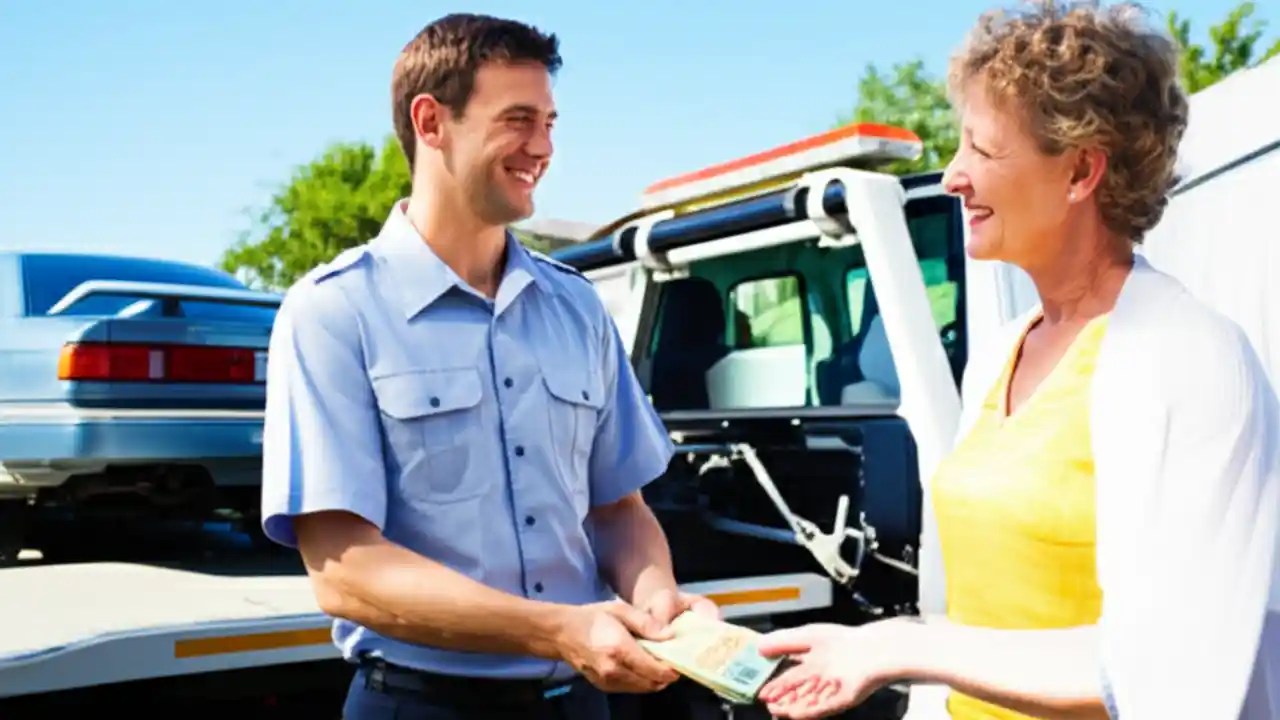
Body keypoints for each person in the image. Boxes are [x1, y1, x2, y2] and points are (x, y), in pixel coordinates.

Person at [751, 2, 1280, 719]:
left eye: (982, 150)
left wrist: (897, 646)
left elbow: (1167, 666)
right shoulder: (1002, 351)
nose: (953, 177)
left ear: (1080, 171)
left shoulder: (1193, 359)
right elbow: (973, 615)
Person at [258, 13, 717, 720]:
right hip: (419, 706)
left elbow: (617, 508)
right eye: (518, 120)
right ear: (431, 121)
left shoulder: (578, 309)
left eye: (551, 123)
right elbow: (346, 572)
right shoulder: (333, 311)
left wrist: (659, 604)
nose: (544, 147)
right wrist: (559, 631)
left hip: (576, 705)